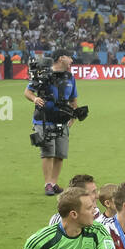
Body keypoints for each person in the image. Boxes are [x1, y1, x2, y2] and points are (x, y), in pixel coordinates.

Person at [24, 49, 78, 196]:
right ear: (61, 58)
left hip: (62, 120)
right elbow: (27, 92)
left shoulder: (70, 77)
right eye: (70, 57)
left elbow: (73, 99)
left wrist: (73, 116)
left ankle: (54, 183)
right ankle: (47, 183)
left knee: (60, 154)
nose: (72, 61)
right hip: (44, 119)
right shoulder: (43, 74)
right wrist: (35, 99)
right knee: (48, 152)